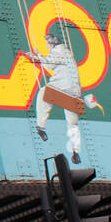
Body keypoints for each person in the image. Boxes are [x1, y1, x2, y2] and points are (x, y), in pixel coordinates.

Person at [28, 28, 87, 164]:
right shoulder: (66, 52)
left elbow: (48, 64)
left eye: (48, 45)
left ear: (52, 44)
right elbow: (51, 61)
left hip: (62, 89)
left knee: (43, 94)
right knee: (72, 123)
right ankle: (75, 152)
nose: (47, 47)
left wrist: (37, 55)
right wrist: (38, 57)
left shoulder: (58, 51)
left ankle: (41, 126)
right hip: (75, 94)